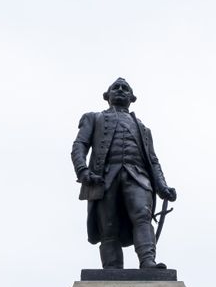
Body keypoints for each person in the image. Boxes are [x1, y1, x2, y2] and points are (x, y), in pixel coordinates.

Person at [71, 78, 177, 269]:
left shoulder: (143, 128)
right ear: (107, 96)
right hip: (104, 178)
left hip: (137, 176)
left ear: (132, 97)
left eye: (125, 89)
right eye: (115, 88)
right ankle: (111, 269)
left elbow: (152, 160)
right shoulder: (93, 117)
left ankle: (147, 262)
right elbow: (79, 145)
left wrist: (162, 187)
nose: (120, 90)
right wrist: (83, 171)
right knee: (108, 227)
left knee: (142, 215)